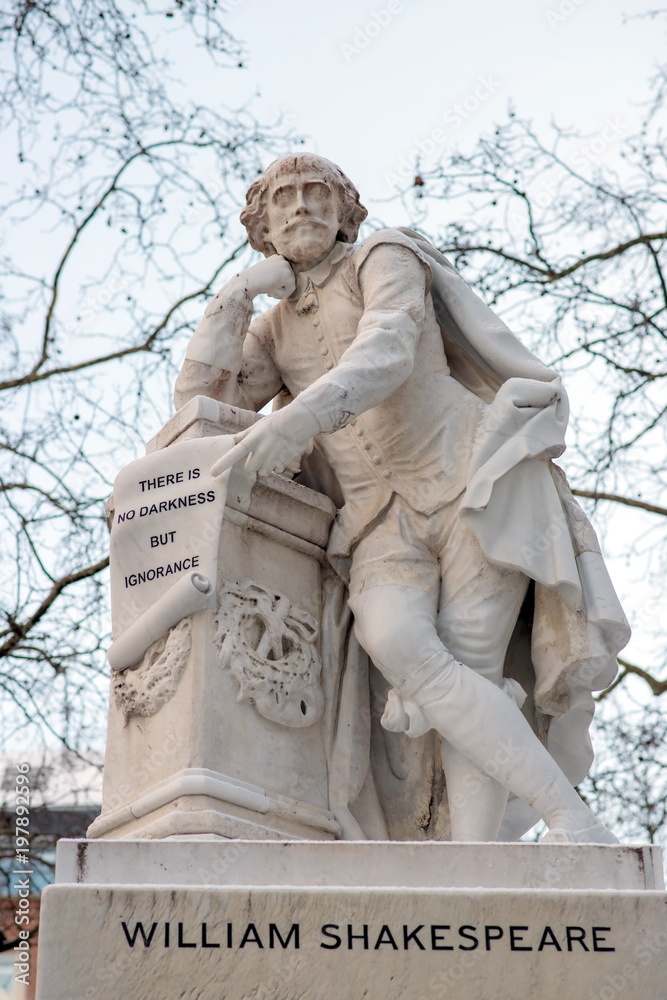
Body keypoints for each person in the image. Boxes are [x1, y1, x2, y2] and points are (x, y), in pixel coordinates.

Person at [175, 153, 629, 843]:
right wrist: (235, 296)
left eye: (317, 193)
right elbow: (198, 411)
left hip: (470, 480)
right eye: (284, 198)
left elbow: (386, 349)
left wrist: (299, 418)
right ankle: (566, 814)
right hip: (376, 521)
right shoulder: (271, 329)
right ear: (262, 226)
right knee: (396, 641)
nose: (302, 206)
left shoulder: (383, 256)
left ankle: (488, 858)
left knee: (471, 663)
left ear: (344, 211)